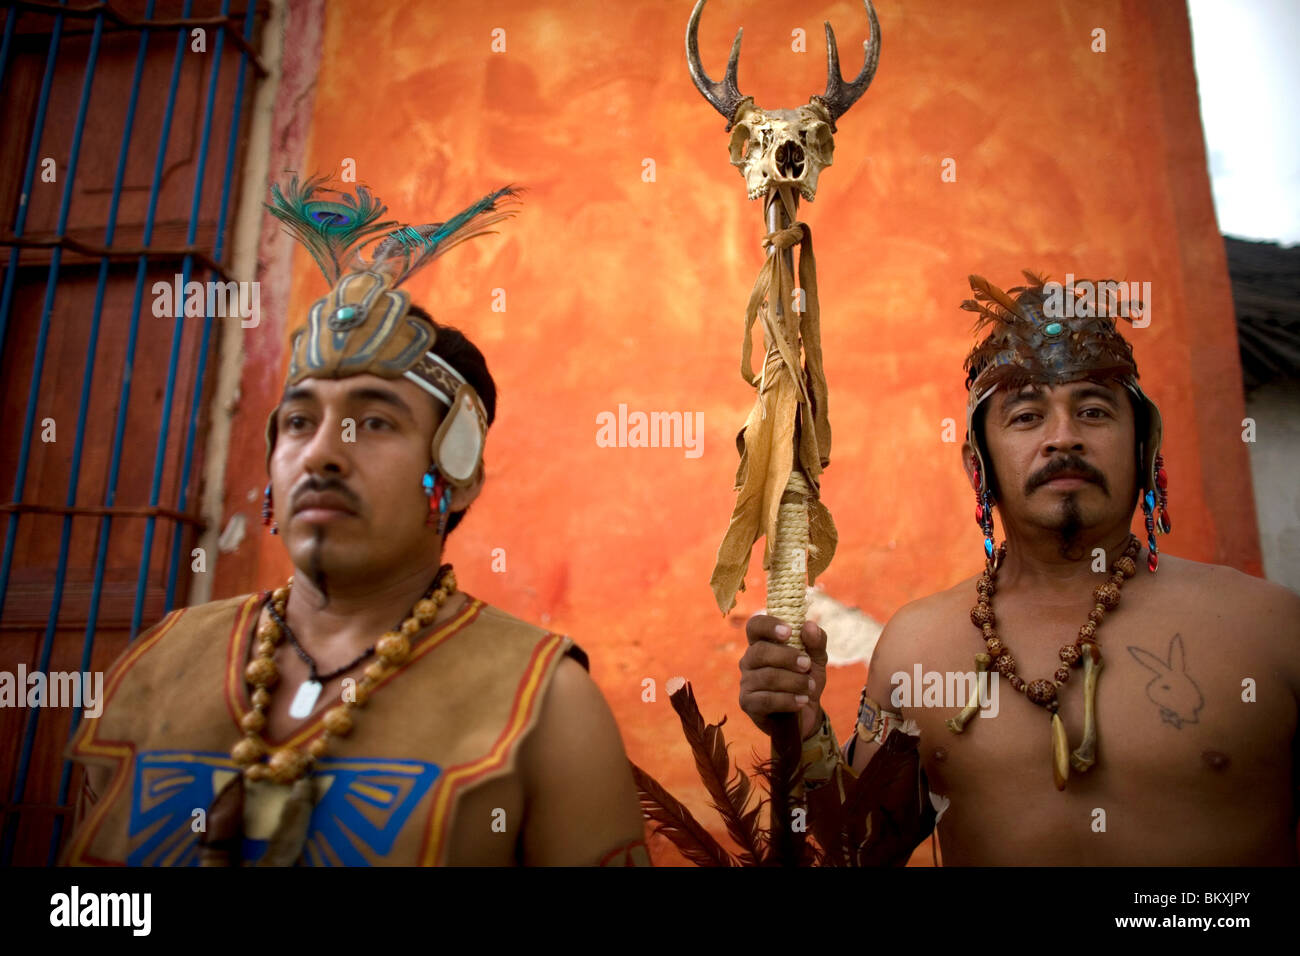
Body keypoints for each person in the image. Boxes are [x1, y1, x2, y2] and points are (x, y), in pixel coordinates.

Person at [62, 177, 648, 866]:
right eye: (300, 422)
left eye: (374, 422)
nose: (323, 455)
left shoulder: (545, 703)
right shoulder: (159, 665)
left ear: (456, 477)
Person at [740, 272, 1300, 864]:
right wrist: (801, 731)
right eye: (1027, 416)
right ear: (977, 462)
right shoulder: (919, 647)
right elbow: (865, 846)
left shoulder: (1269, 631)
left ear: (1145, 446)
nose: (1064, 438)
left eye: (1093, 410)